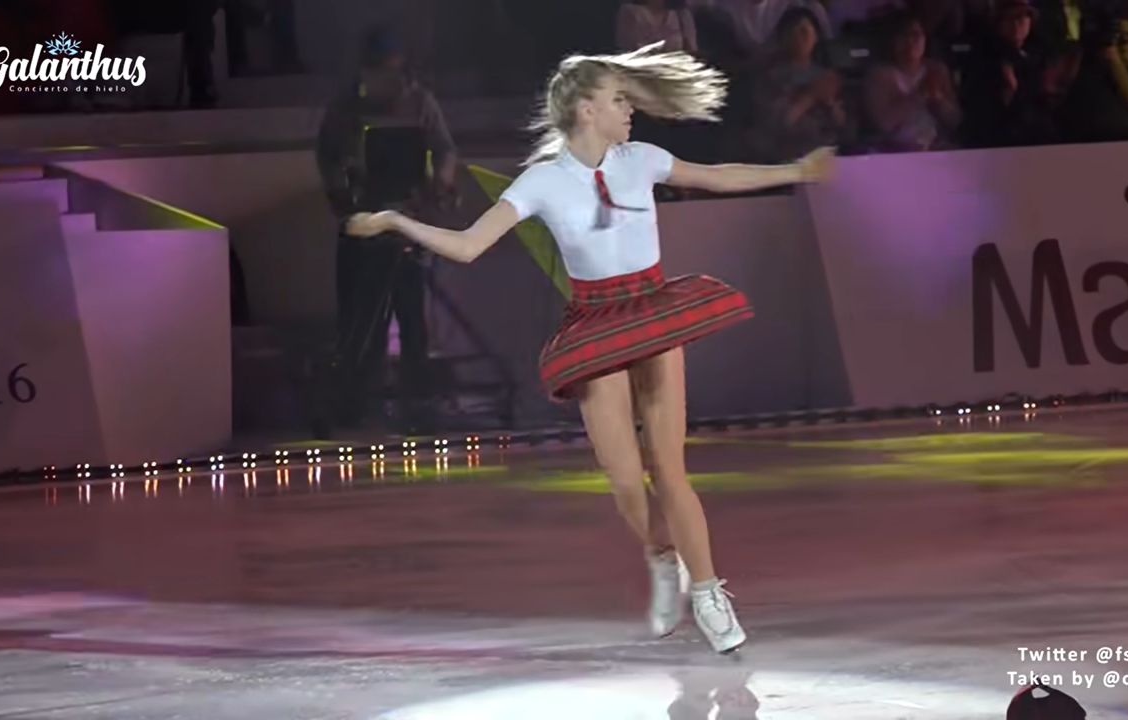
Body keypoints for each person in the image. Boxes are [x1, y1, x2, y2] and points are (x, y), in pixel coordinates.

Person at [346, 41, 833, 654]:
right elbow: (470, 246)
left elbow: (718, 176)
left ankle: (708, 590)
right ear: (584, 110)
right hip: (595, 326)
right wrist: (395, 221)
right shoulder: (544, 182)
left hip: (652, 313)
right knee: (626, 481)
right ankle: (662, 557)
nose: (629, 110)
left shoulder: (642, 158)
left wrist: (796, 171)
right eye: (619, 100)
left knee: (670, 470)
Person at [317, 27, 458, 431]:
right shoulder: (346, 107)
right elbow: (329, 158)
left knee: (412, 316)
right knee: (360, 318)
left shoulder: (420, 102)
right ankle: (354, 401)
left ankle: (418, 405)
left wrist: (439, 186)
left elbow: (444, 149)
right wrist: (345, 200)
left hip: (408, 224)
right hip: (363, 226)